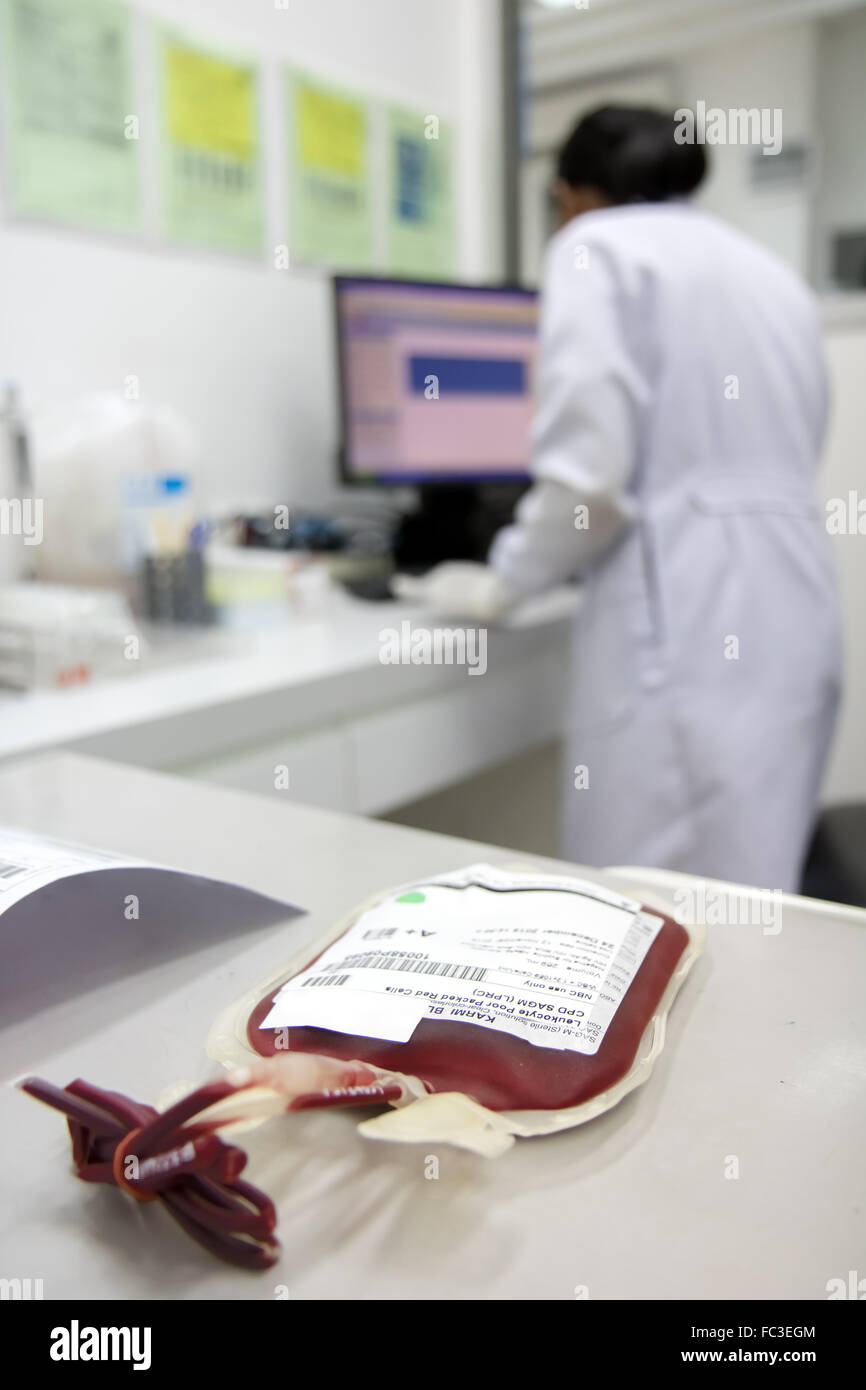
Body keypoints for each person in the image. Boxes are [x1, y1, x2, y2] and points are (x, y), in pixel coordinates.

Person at [400, 105, 843, 892]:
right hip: (796, 614)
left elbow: (589, 484)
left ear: (571, 194)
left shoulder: (595, 247)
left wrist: (502, 581)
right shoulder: (771, 272)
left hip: (688, 625)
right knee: (756, 894)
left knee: (641, 908)